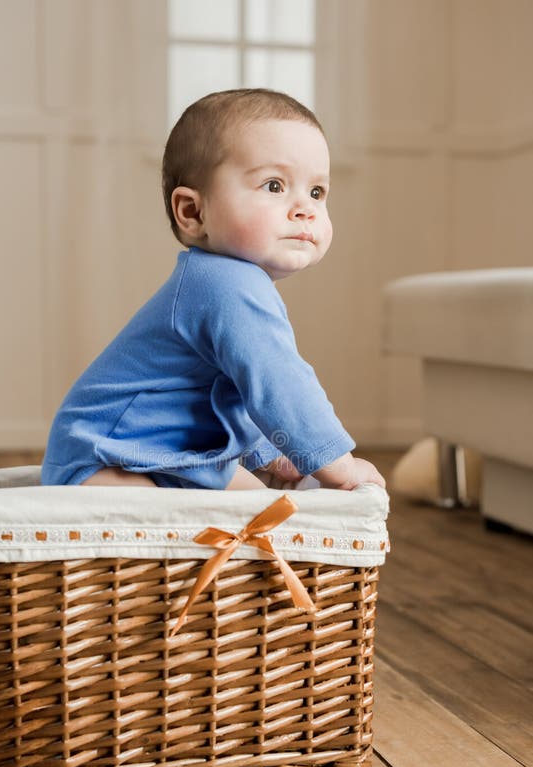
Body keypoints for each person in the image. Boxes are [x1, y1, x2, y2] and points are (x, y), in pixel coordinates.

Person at [41, 88, 385, 492]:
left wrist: (267, 455)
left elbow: (229, 391)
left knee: (259, 497)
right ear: (193, 212)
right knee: (268, 513)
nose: (304, 208)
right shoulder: (227, 284)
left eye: (316, 192)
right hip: (108, 460)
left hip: (143, 455)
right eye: (274, 186)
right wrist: (337, 464)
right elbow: (278, 384)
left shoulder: (227, 280)